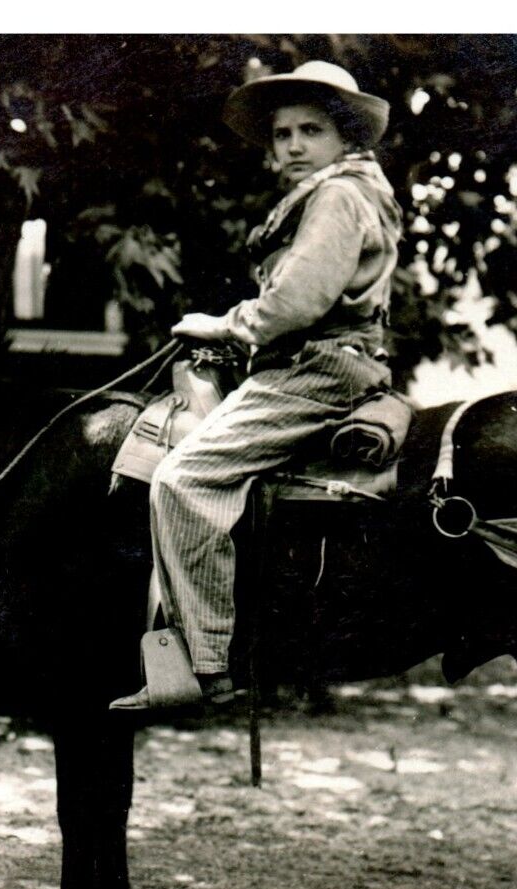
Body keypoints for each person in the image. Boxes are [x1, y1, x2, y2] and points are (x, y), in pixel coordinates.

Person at [113, 61, 403, 710]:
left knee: (184, 479)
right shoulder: (347, 192)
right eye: (281, 135)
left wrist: (225, 327)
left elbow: (298, 300)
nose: (294, 146)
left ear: (347, 139)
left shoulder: (338, 195)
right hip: (306, 364)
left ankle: (207, 667)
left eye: (312, 131)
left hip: (318, 371)